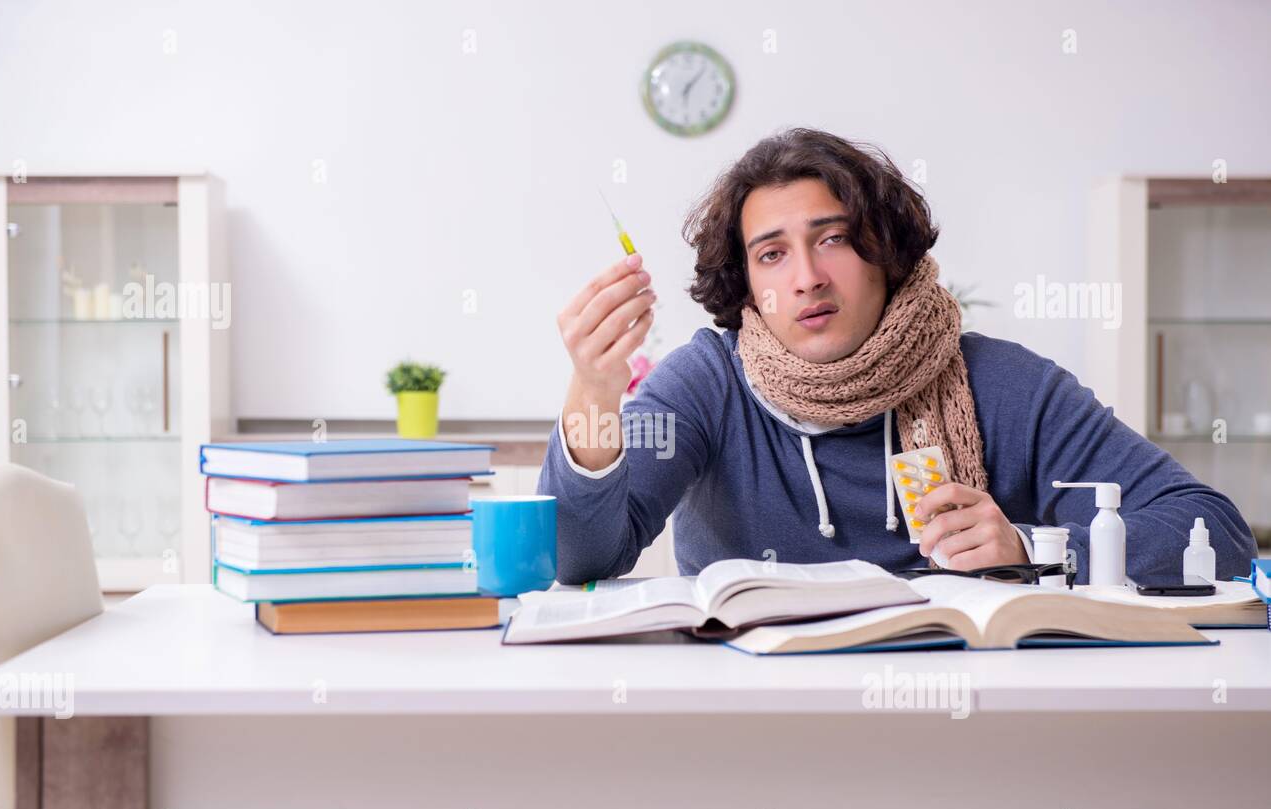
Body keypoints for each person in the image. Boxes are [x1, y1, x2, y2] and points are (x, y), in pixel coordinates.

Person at [537, 128, 1256, 585]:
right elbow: (579, 558)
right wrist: (593, 396)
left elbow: (1212, 529)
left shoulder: (1002, 384)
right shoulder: (708, 383)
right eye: (772, 253)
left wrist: (1035, 545)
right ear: (748, 287)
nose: (807, 278)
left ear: (886, 250)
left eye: (833, 238)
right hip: (755, 729)